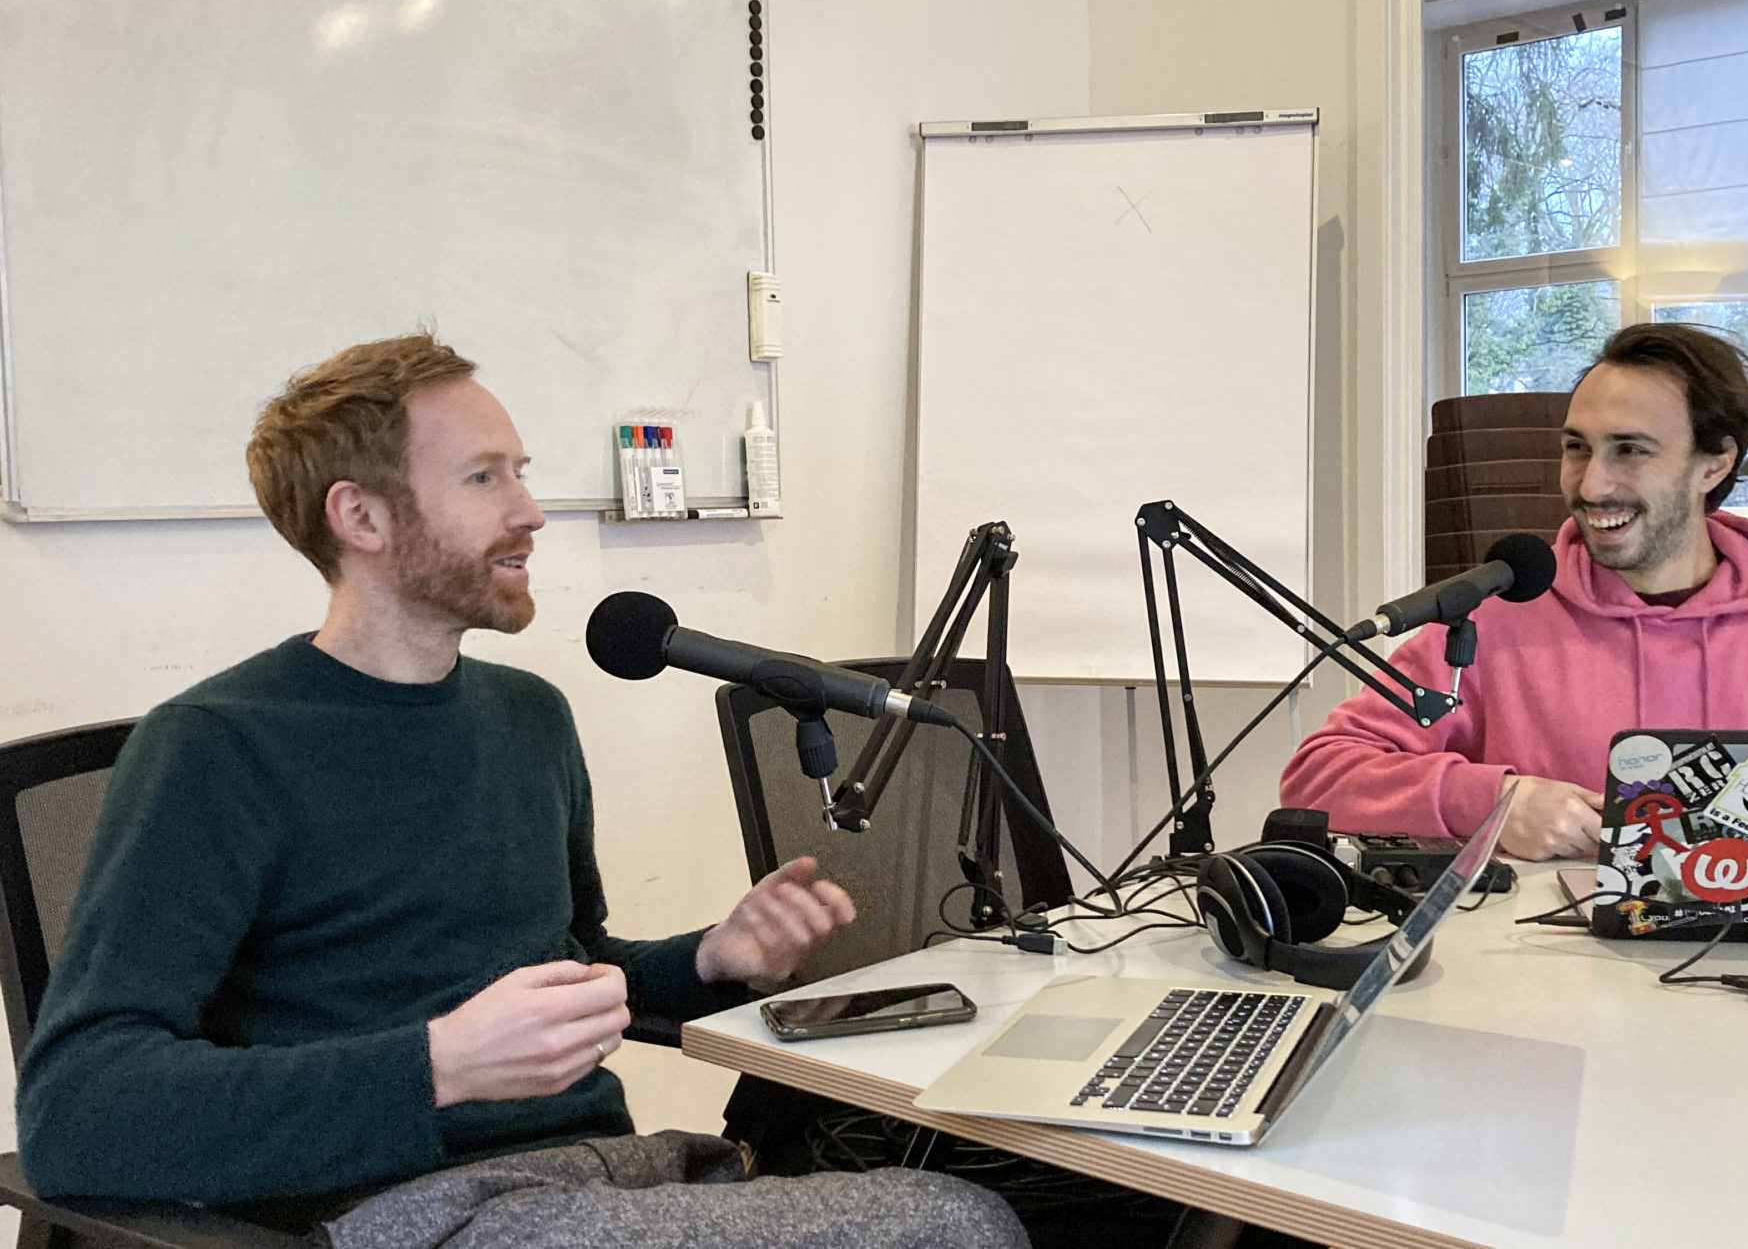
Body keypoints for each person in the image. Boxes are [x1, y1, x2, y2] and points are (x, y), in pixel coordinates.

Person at [15, 333, 1026, 1248]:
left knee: (1018, 1186)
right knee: (952, 1226)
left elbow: (567, 964)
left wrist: (711, 960)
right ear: (360, 515)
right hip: (411, 1212)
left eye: (521, 473)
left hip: (601, 1182)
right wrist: (437, 1065)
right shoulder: (216, 750)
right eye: (482, 477)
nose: (530, 512)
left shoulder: (525, 717)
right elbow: (79, 1114)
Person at [1280, 322, 1748, 861]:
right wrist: (1493, 803)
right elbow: (1318, 777)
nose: (1592, 484)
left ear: (1712, 465)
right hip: (1552, 971)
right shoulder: (1499, 608)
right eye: (1577, 448)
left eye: (1630, 450)